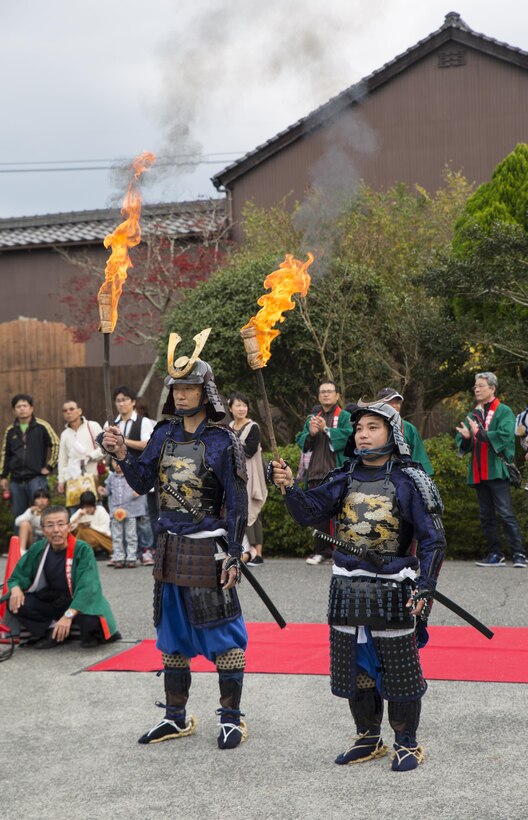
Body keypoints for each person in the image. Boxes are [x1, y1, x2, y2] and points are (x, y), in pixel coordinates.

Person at [272, 400, 445, 771]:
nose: (363, 435)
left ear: (392, 433)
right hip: (347, 586)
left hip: (393, 589)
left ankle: (407, 742)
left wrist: (426, 587)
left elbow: (433, 540)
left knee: (398, 670)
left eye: (372, 428)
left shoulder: (410, 480)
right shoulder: (344, 476)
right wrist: (289, 488)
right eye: (359, 429)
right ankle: (368, 737)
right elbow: (307, 512)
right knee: (356, 669)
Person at [102, 344, 248, 749]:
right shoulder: (162, 434)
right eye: (176, 388)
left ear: (206, 391)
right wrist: (118, 453)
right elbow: (140, 482)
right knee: (171, 637)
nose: (181, 395)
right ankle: (175, 717)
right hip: (169, 547)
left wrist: (234, 552)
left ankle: (232, 719)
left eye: (189, 387)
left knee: (224, 638)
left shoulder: (223, 440)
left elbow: (236, 502)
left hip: (208, 549)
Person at [6, 505, 120, 649]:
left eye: (61, 524)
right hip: (53, 600)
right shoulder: (38, 548)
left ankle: (66, 626)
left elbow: (88, 588)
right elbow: (18, 575)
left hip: (78, 603)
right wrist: (15, 588)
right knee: (15, 603)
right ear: (42, 530)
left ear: (69, 526)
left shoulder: (83, 550)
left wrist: (68, 615)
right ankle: (51, 631)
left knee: (90, 623)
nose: (56, 530)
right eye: (50, 525)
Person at [455, 372, 527, 568]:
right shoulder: (474, 413)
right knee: (486, 516)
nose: (476, 389)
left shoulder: (504, 411)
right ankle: (495, 554)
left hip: (497, 470)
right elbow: (463, 441)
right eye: (475, 386)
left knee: (505, 513)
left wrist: (480, 433)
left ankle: (519, 554)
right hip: (479, 471)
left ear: (492, 388)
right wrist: (467, 437)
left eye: (481, 386)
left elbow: (505, 436)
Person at [295, 381, 352, 564]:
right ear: (319, 396)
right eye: (323, 392)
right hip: (315, 472)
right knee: (318, 515)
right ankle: (322, 552)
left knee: (339, 514)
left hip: (335, 472)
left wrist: (326, 429)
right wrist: (311, 433)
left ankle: (340, 552)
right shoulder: (312, 417)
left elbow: (349, 436)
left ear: (337, 395)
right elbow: (301, 441)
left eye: (330, 392)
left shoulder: (344, 416)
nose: (326, 395)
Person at [109, 386, 155, 566]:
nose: (121, 404)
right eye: (118, 401)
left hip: (139, 471)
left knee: (143, 517)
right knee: (120, 516)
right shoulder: (112, 423)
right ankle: (124, 551)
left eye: (125, 400)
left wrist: (122, 441)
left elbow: (146, 445)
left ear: (133, 402)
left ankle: (146, 550)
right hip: (118, 474)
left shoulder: (142, 422)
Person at [0, 394, 59, 523]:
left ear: (31, 408)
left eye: (25, 406)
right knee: (20, 519)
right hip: (16, 481)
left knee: (40, 516)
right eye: (18, 406)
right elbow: (5, 454)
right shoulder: (10, 430)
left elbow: (56, 444)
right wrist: (3, 476)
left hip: (36, 479)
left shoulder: (42, 426)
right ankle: (21, 543)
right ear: (14, 410)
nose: (22, 409)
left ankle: (42, 543)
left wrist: (50, 466)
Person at [228, 391, 267, 566]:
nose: (242, 408)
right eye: (238, 405)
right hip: (235, 475)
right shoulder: (229, 426)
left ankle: (257, 552)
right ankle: (245, 549)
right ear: (230, 408)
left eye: (244, 405)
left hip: (250, 474)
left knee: (252, 511)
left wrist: (230, 450)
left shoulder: (253, 427)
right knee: (240, 511)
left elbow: (249, 451)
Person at [97, 460, 147, 569]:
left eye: (120, 462)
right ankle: (118, 557)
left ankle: (131, 557)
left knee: (131, 535)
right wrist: (102, 491)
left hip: (131, 510)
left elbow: (142, 486)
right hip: (116, 511)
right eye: (115, 462)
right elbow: (107, 492)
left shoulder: (132, 475)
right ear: (112, 464)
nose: (118, 465)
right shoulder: (111, 478)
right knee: (117, 536)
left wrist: (138, 491)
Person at [376, 388, 434, 475]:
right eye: (390, 403)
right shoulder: (371, 427)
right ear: (379, 405)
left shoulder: (409, 428)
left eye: (397, 402)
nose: (395, 406)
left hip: (403, 478)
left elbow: (419, 457)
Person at [57, 400, 104, 500]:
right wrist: (61, 480)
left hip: (92, 475)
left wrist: (90, 456)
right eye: (65, 410)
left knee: (94, 508)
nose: (68, 412)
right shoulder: (64, 434)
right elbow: (62, 459)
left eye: (71, 409)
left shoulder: (92, 426)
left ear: (79, 411)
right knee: (75, 511)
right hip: (72, 479)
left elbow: (105, 448)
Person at [69, 490, 112, 557]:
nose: (87, 509)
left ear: (94, 505)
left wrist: (91, 526)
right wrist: (79, 517)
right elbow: (69, 527)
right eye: (85, 507)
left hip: (102, 538)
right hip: (85, 539)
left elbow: (105, 531)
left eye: (89, 507)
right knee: (81, 530)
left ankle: (98, 549)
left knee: (85, 531)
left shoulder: (101, 510)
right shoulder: (80, 512)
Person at [14, 488, 50, 554]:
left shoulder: (52, 511)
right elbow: (17, 522)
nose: (41, 501)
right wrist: (30, 512)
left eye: (44, 498)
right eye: (38, 498)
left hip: (47, 538)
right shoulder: (31, 511)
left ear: (48, 500)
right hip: (34, 538)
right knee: (24, 523)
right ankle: (22, 551)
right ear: (34, 501)